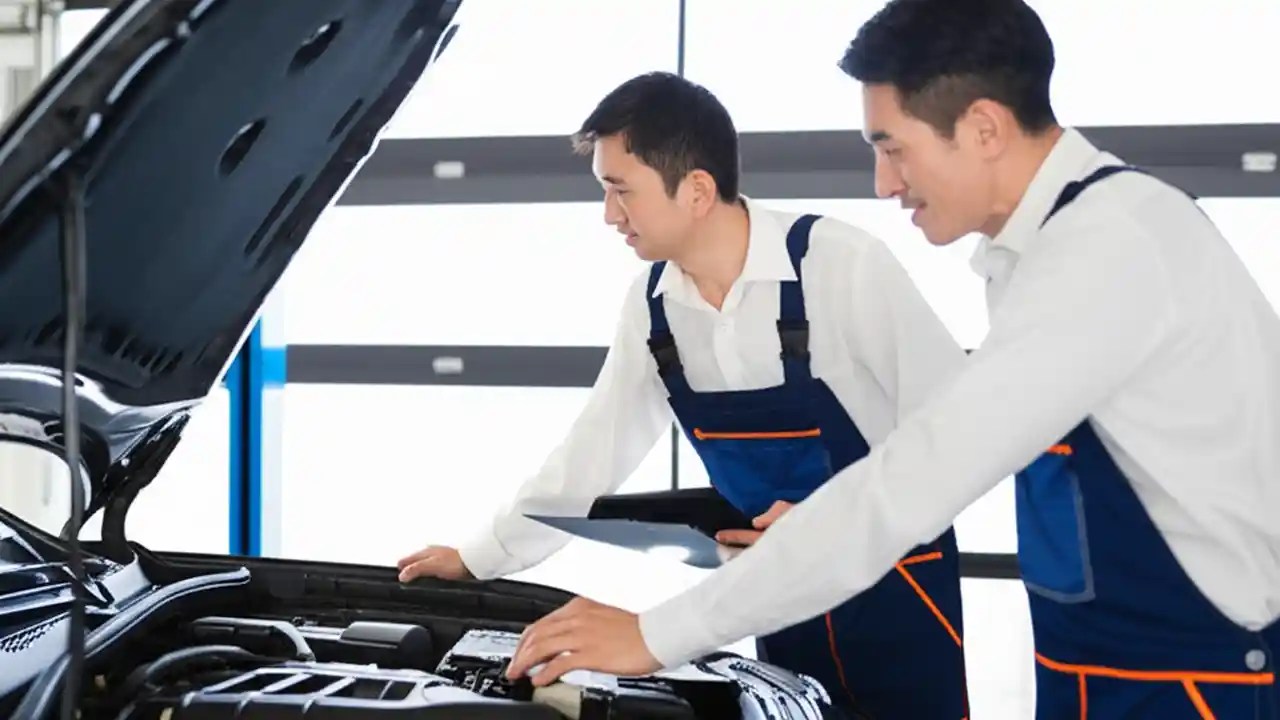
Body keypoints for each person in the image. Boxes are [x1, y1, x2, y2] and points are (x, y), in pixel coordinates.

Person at [503, 2, 1280, 719]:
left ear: (982, 128)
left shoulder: (1110, 249)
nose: (883, 184)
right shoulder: (1039, 257)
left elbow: (917, 476)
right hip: (1096, 669)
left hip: (1201, 679)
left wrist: (656, 632)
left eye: (892, 147)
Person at [396, 71, 971, 718]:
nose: (610, 216)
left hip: (897, 593)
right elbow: (590, 456)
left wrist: (837, 518)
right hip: (777, 595)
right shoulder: (653, 312)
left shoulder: (839, 267)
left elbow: (963, 427)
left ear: (697, 190)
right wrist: (476, 558)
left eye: (622, 192)